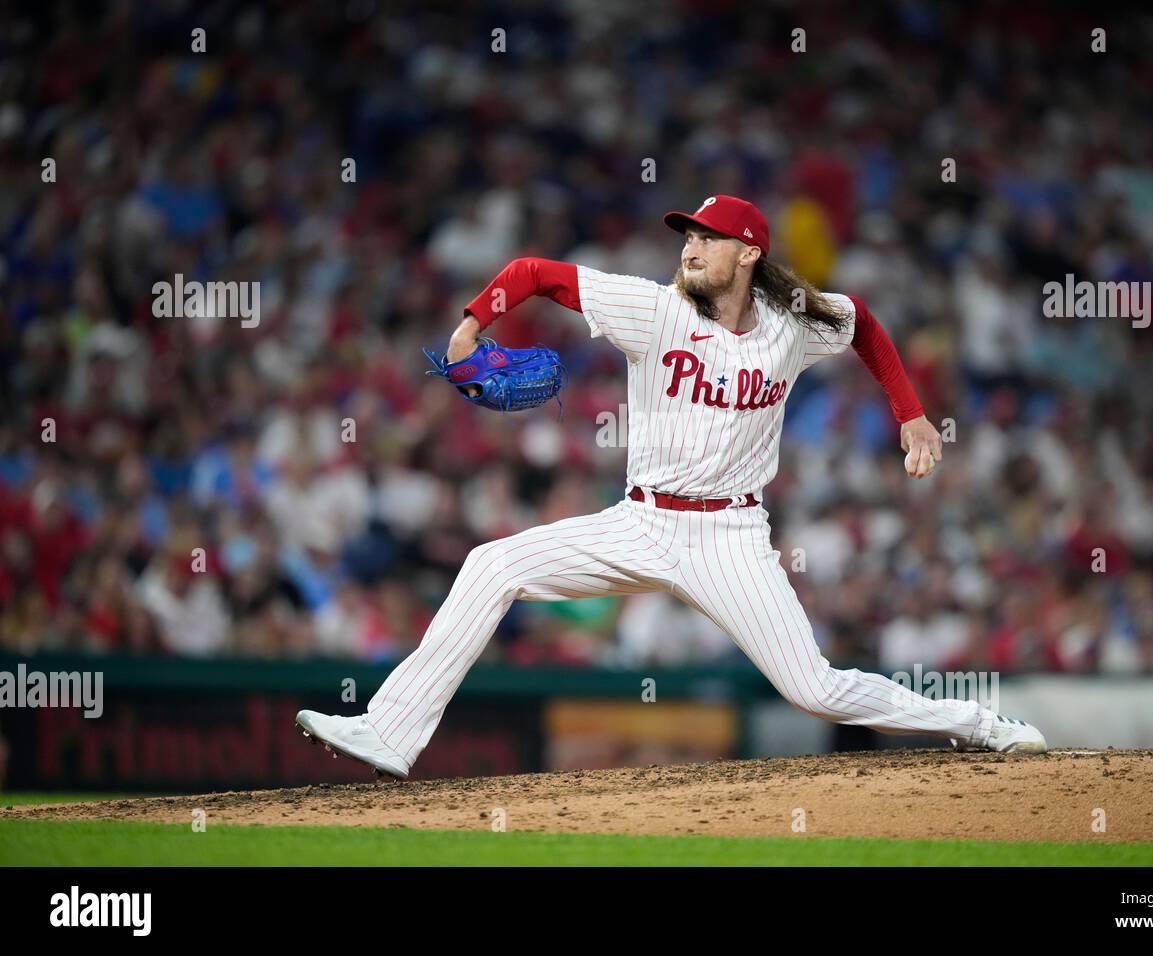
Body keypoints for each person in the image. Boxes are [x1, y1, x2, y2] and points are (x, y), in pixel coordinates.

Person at [297, 195, 1046, 779]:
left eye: (705, 238)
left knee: (813, 689)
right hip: (642, 523)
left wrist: (912, 416)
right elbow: (533, 272)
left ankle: (976, 725)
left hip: (732, 540)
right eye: (686, 236)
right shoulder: (653, 308)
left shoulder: (791, 323)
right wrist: (470, 327)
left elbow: (866, 326)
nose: (689, 247)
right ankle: (391, 730)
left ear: (747, 252)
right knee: (490, 565)